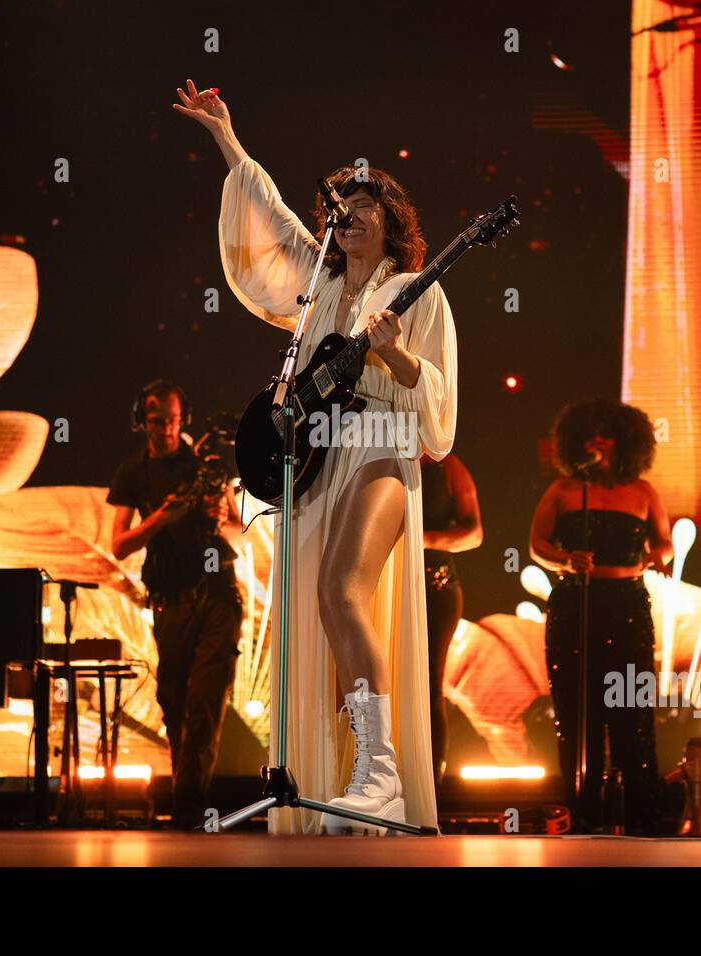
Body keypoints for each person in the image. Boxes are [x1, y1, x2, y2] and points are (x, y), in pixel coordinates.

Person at [175, 79, 457, 834]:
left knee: (340, 587)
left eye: (361, 207)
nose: (346, 218)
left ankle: (382, 774)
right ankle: (348, 779)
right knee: (330, 609)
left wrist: (395, 360)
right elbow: (270, 217)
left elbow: (438, 416)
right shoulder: (322, 286)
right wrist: (226, 138)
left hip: (383, 447)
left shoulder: (414, 291)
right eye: (337, 210)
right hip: (321, 459)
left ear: (391, 219)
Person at [529, 399, 672, 834]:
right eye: (589, 433)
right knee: (578, 712)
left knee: (632, 709)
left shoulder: (644, 493)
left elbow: (664, 542)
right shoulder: (564, 490)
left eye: (606, 432)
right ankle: (585, 811)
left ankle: (641, 815)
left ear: (626, 442)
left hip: (627, 604)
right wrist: (566, 560)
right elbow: (536, 544)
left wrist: (658, 557)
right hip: (577, 604)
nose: (597, 440)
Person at [109, 379, 244, 831]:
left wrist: (222, 508)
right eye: (155, 420)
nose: (165, 428)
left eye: (171, 419)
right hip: (171, 601)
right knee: (172, 699)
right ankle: (188, 799)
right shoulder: (133, 474)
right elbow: (119, 545)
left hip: (218, 594)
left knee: (205, 701)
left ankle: (187, 806)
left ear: (183, 419)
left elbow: (241, 521)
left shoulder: (205, 464)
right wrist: (161, 519)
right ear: (140, 422)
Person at [421, 452, 482, 789]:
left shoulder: (448, 466)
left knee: (430, 686)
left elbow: (474, 533)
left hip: (436, 588)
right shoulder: (378, 453)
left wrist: (423, 539)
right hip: (384, 588)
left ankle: (430, 789)